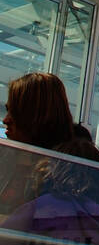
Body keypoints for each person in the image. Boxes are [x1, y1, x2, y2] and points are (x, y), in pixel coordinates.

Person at [1, 72, 76, 214]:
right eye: (7, 110)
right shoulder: (6, 157)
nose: (5, 120)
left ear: (35, 116)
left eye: (14, 112)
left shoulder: (66, 175)